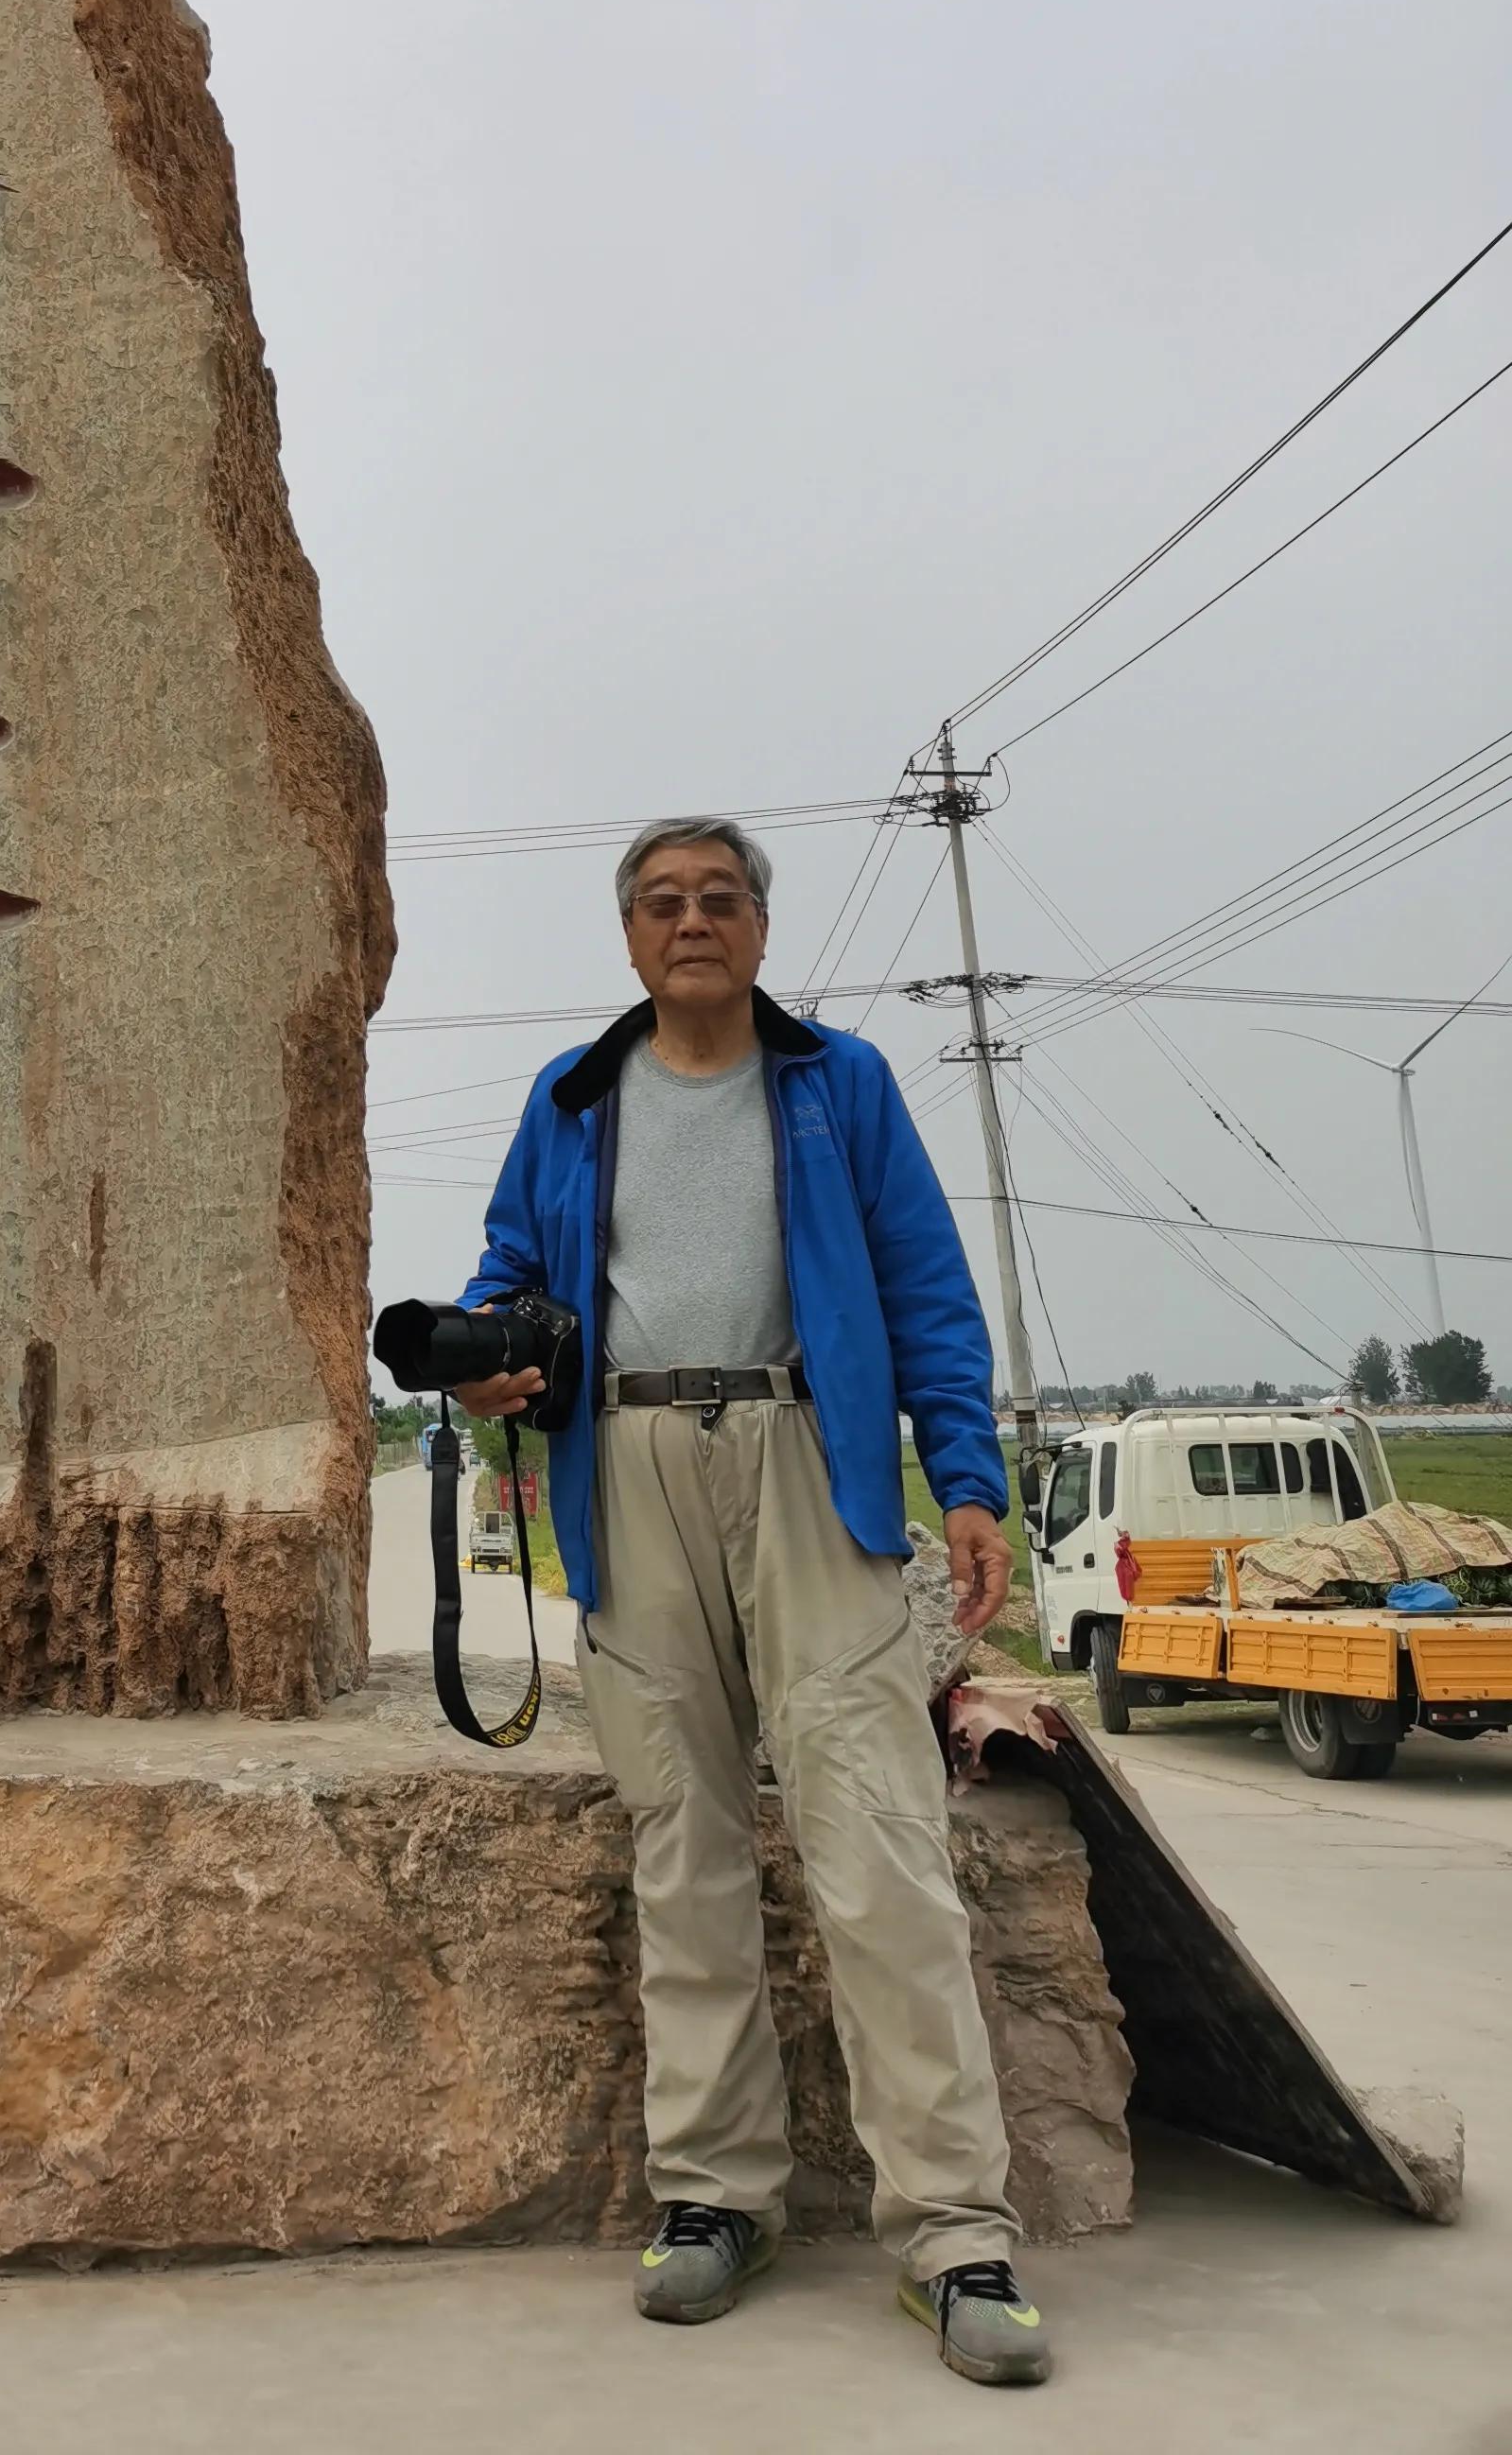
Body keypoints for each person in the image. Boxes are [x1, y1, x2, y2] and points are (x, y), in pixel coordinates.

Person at [449, 814, 1050, 2390]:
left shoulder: (836, 1084)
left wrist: (965, 1478)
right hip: (629, 1462)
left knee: (881, 1846)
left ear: (762, 931)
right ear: (629, 937)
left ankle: (954, 2232)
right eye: (662, 903)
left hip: (807, 1460)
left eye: (721, 899)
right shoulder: (574, 1100)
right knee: (684, 1852)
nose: (692, 921)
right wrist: (499, 1348)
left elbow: (923, 1283)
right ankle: (716, 2198)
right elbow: (514, 1261)